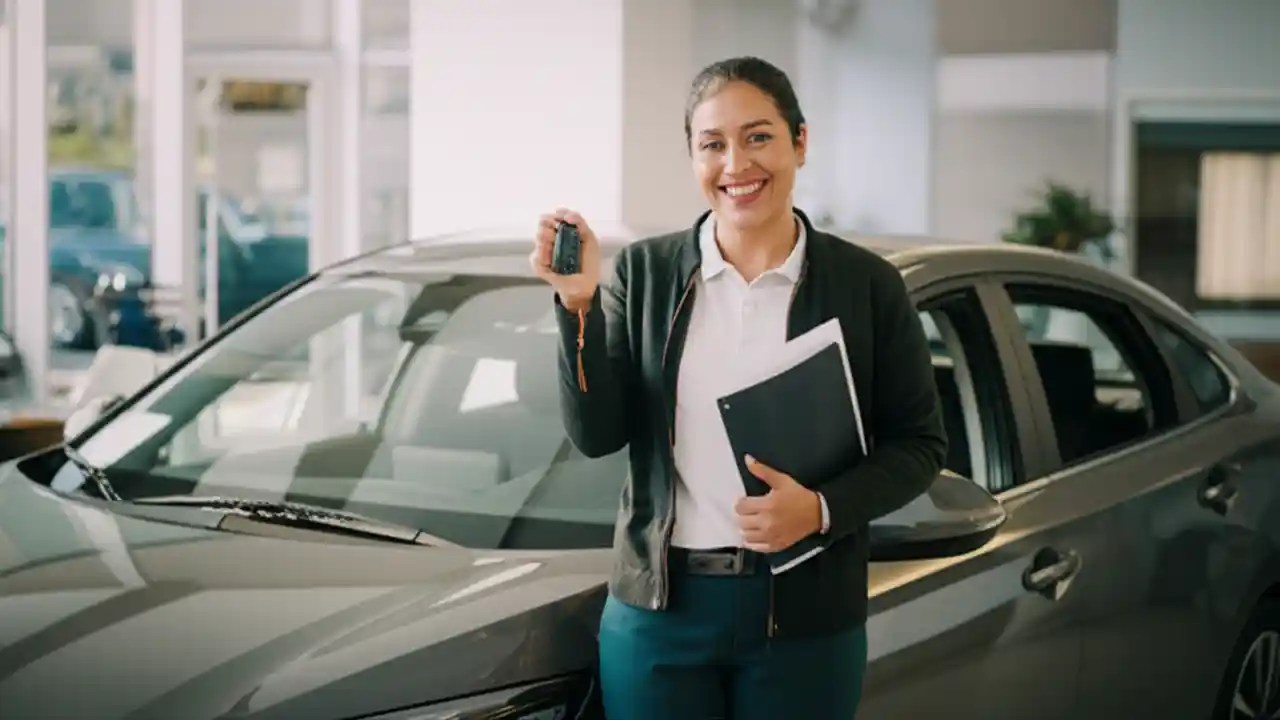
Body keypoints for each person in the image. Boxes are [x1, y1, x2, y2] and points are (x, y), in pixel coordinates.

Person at [530, 56, 945, 720]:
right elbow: (597, 435)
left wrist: (820, 509)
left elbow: (920, 444)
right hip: (661, 612)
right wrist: (576, 304)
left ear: (800, 142)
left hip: (806, 616)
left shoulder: (866, 285)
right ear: (692, 157)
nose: (736, 165)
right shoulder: (645, 273)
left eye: (758, 137)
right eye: (712, 144)